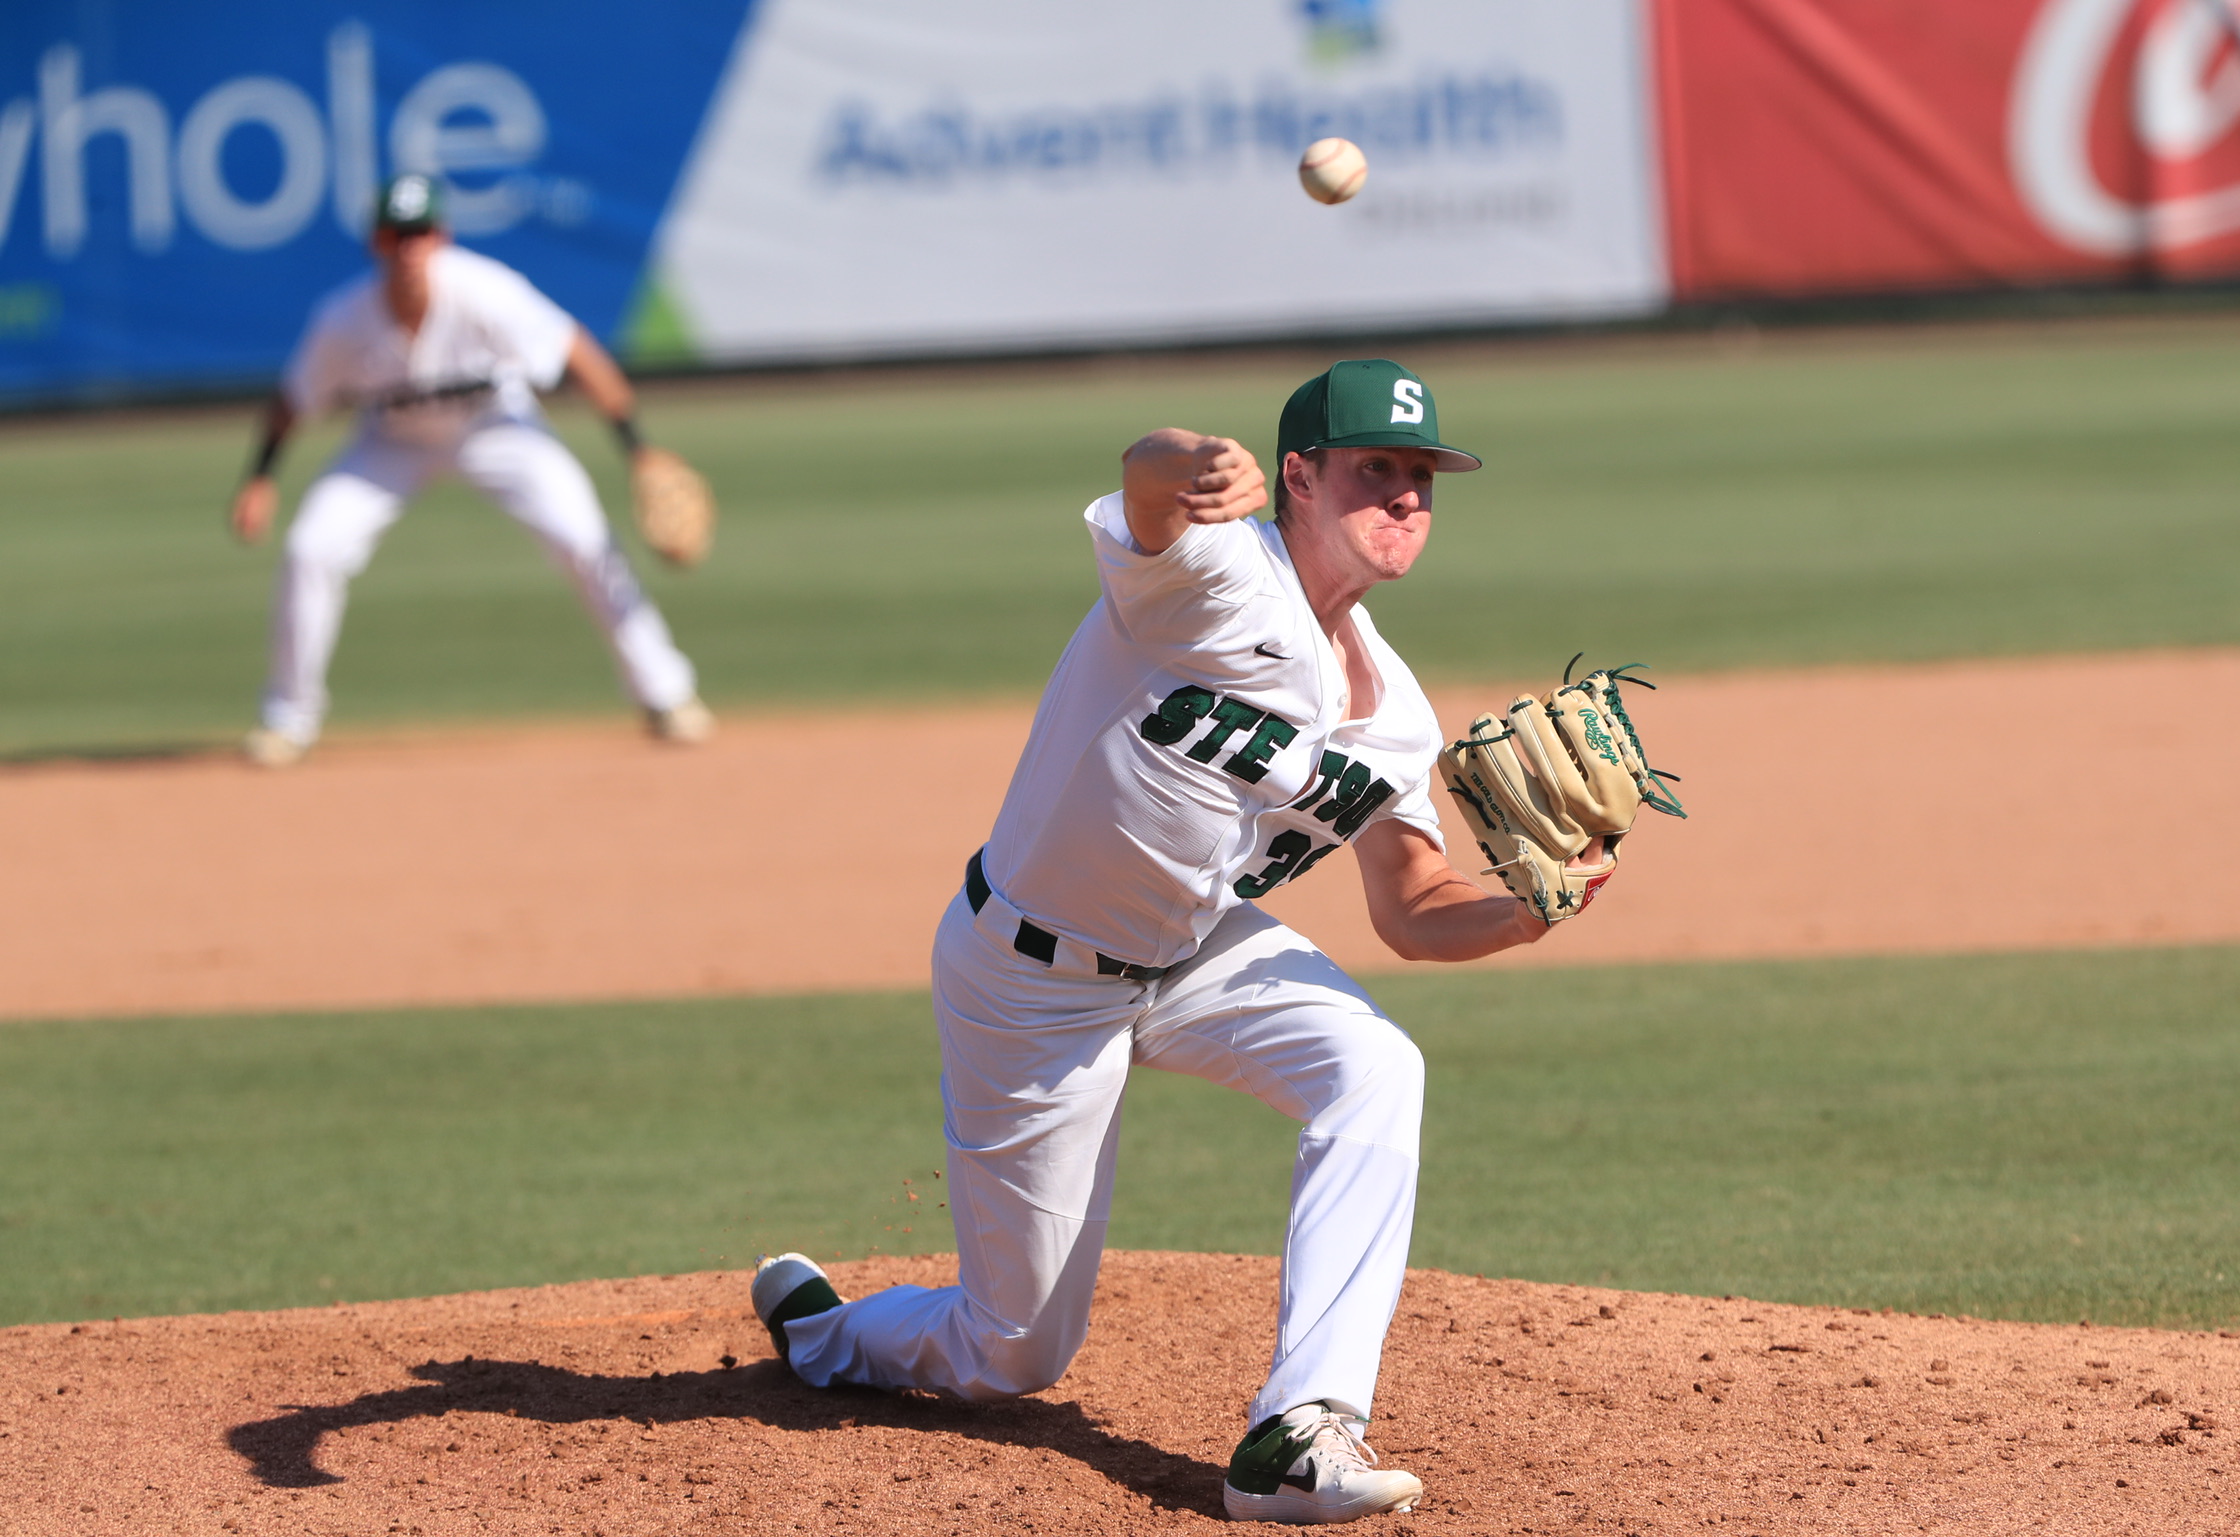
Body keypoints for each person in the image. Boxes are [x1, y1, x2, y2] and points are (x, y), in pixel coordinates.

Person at [750, 360, 1613, 1524]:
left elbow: (1411, 901)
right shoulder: (1214, 574)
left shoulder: (1398, 713)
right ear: (1297, 479)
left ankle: (1301, 1429)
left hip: (1200, 953)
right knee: (1013, 1351)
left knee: (1375, 1068)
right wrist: (1188, 460)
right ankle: (825, 1333)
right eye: (1375, 471)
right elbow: (1143, 491)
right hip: (1029, 975)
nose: (1405, 496)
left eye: (1420, 476)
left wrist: (1523, 910)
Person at [227, 172, 711, 766]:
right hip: (391, 442)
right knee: (310, 549)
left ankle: (666, 694)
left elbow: (576, 351)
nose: (409, 248)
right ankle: (287, 719)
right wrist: (261, 478)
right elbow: (293, 400)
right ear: (375, 243)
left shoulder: (487, 291)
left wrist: (638, 447)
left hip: (496, 429)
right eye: (396, 234)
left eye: (421, 232)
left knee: (583, 539)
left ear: (443, 237)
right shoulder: (343, 320)